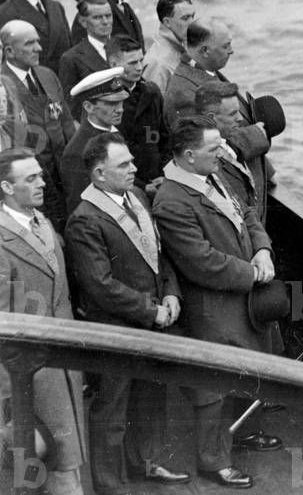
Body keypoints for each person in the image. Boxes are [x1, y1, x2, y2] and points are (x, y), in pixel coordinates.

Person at [152, 116, 282, 489]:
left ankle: (239, 435)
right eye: (214, 148)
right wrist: (252, 273)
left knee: (247, 369)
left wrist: (263, 250)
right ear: (189, 155)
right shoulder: (171, 201)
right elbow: (201, 262)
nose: (222, 152)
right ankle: (214, 461)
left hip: (239, 296)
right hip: (211, 308)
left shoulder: (213, 175)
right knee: (213, 386)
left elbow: (248, 215)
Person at [63, 133, 190, 495]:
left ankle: (146, 461)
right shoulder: (84, 220)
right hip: (116, 327)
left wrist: (170, 292)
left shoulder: (135, 198)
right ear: (100, 174)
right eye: (125, 165)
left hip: (152, 318)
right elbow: (99, 285)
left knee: (150, 396)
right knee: (112, 406)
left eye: (132, 161)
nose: (134, 168)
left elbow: (158, 253)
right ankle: (109, 483)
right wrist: (152, 310)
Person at [0, 147, 87, 495]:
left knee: (66, 462)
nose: (42, 183)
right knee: (43, 471)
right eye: (31, 178)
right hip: (30, 379)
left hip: (62, 369)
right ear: (7, 188)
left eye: (40, 175)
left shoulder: (41, 222)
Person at [0, 20, 75, 230]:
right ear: (9, 51)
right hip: (31, 186)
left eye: (38, 42)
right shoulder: (2, 88)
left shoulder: (47, 75)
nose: (38, 48)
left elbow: (67, 123)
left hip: (64, 178)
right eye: (29, 44)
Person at [195, 81, 270, 223]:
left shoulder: (226, 142)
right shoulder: (205, 164)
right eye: (233, 114)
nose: (240, 119)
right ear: (211, 118)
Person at [60, 68, 128, 213]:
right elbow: (80, 207)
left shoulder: (113, 132)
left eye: (121, 102)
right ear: (89, 107)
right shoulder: (77, 151)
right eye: (111, 104)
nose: (120, 109)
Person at [108, 36, 169, 194]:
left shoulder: (151, 92)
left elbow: (163, 138)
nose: (140, 67)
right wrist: (142, 186)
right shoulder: (106, 100)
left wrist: (164, 175)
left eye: (141, 61)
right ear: (113, 64)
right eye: (132, 63)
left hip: (158, 180)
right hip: (127, 185)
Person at [0, 0, 73, 73]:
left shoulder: (56, 7)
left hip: (64, 83)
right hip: (34, 85)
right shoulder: (5, 13)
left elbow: (69, 49)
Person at [59, 0, 113, 111]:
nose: (105, 22)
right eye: (97, 17)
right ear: (83, 22)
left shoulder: (121, 48)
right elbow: (70, 106)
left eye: (108, 16)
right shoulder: (71, 59)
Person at [141, 0, 196, 94]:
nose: (192, 23)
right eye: (185, 18)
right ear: (167, 22)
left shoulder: (179, 49)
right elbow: (153, 107)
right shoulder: (158, 63)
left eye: (193, 16)